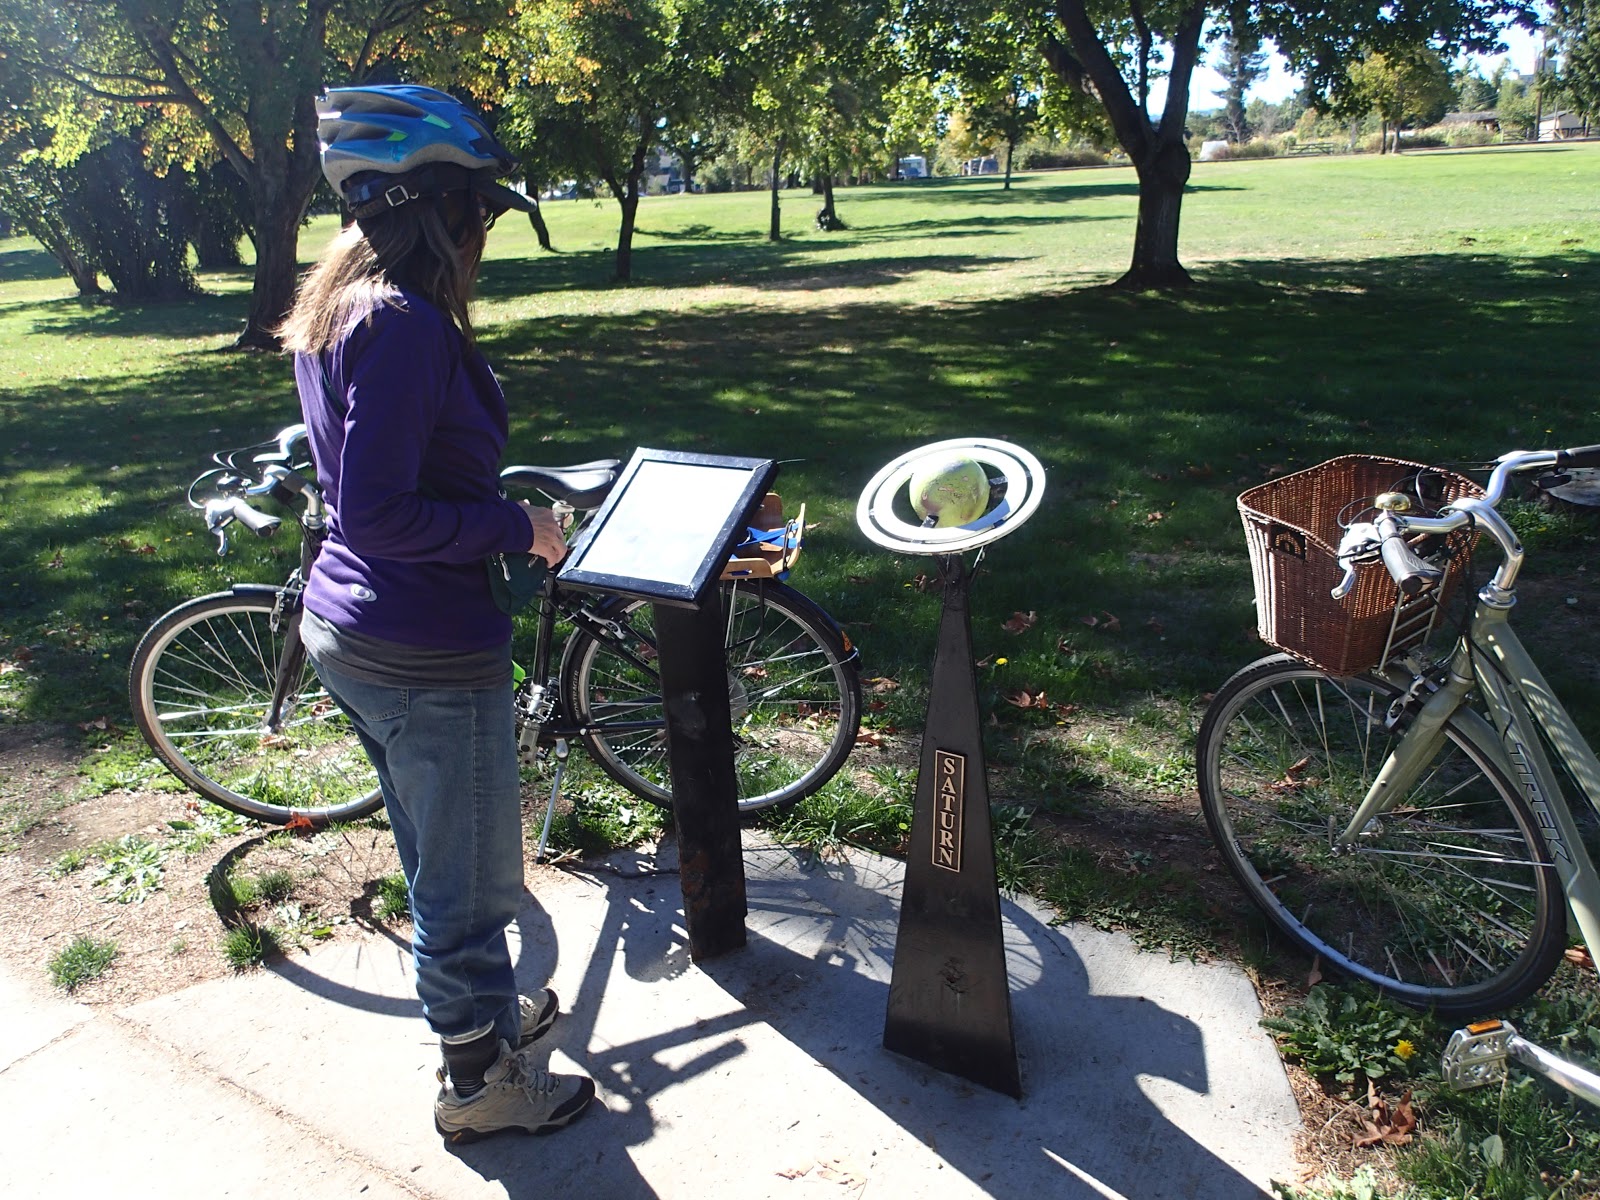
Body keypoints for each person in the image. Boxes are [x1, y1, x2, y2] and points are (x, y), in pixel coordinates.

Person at [276, 83, 594, 1143]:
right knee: (468, 885)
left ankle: (483, 1016)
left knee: (434, 853)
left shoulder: (340, 302)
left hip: (356, 634)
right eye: (483, 208)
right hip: (422, 645)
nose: (486, 230)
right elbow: (382, 511)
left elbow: (366, 492)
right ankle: (477, 1085)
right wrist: (520, 530)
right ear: (433, 206)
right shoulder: (404, 324)